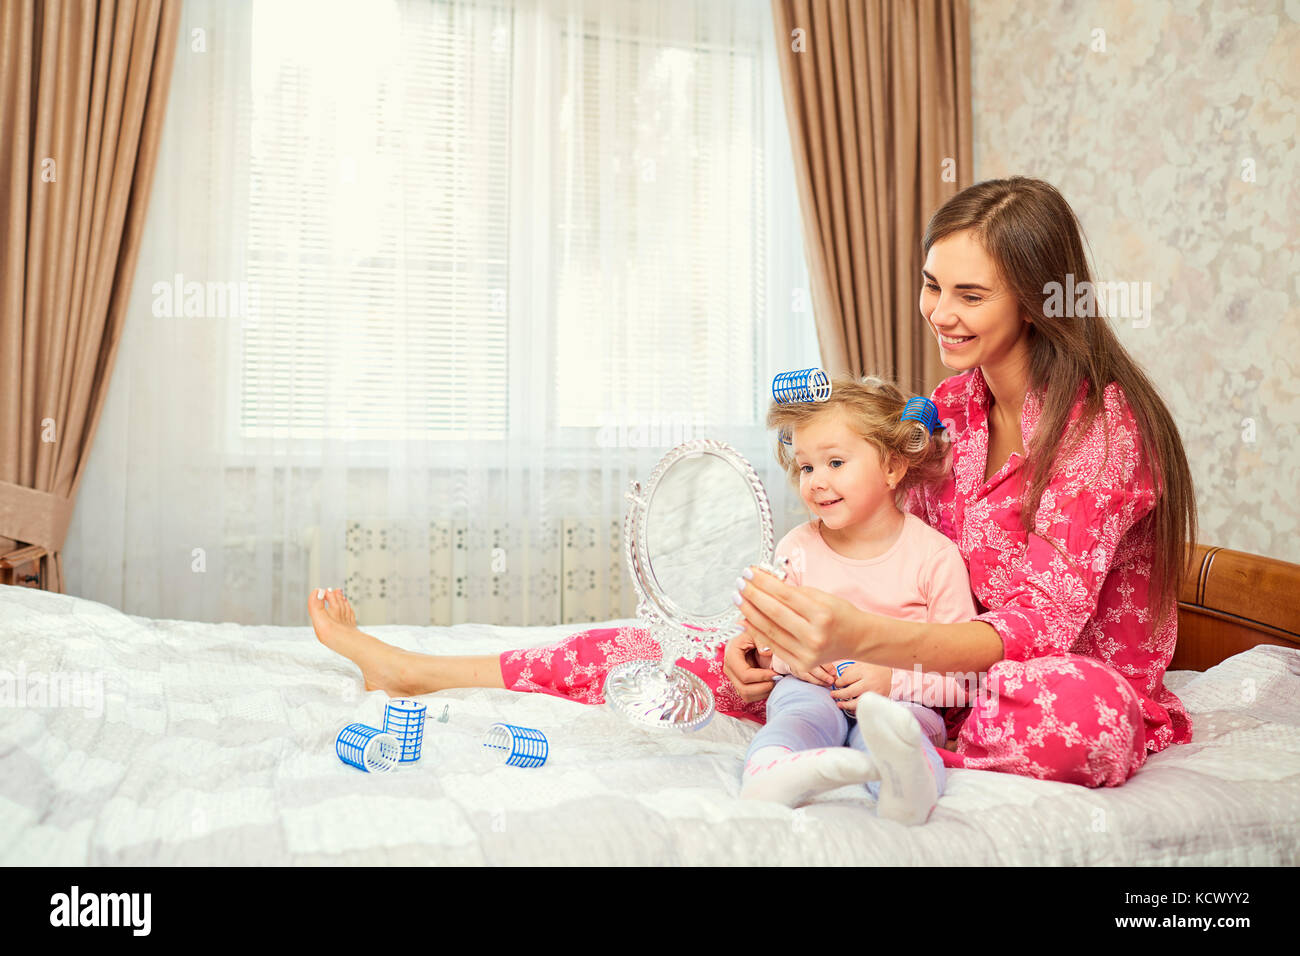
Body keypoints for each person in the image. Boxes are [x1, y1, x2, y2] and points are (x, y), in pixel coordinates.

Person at [308, 175, 1197, 795]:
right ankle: (424, 669)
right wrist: (764, 646)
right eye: (931, 286)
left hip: (1016, 683)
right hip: (893, 663)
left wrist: (872, 650)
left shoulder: (1102, 431)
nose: (939, 313)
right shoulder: (946, 412)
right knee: (675, 654)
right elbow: (871, 531)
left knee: (1086, 717)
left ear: (1036, 302)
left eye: (970, 296)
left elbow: (1035, 632)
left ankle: (888, 743)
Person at [736, 375, 978, 823]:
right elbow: (769, 641)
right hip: (810, 689)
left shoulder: (935, 557)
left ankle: (908, 785)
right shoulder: (797, 548)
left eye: (835, 462)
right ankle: (771, 770)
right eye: (807, 467)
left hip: (900, 700)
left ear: (891, 467)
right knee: (797, 715)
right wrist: (794, 660)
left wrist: (893, 683)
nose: (816, 481)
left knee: (899, 731)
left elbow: (962, 675)